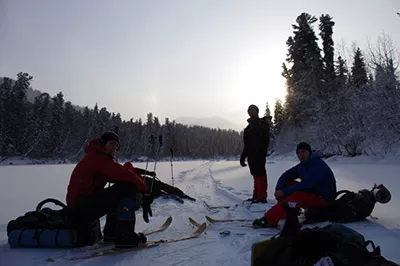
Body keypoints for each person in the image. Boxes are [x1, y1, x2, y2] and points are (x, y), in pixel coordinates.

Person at [66, 131, 155, 248]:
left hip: (82, 202)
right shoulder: (98, 158)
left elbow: (121, 174)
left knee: (119, 189)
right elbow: (125, 175)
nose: (115, 148)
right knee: (127, 188)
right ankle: (125, 237)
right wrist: (145, 190)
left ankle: (112, 232)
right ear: (103, 144)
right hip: (82, 205)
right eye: (112, 144)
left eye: (116, 146)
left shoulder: (97, 156)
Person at [252, 142, 337, 228]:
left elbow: (306, 185)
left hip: (323, 199)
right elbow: (285, 176)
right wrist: (279, 189)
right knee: (287, 183)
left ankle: (269, 219)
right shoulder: (303, 165)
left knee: (297, 196)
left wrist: (284, 192)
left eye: (303, 151)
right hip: (313, 193)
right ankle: (287, 210)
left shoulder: (317, 165)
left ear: (309, 152)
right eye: (298, 152)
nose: (301, 155)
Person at [240, 104, 270, 203]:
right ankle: (256, 196)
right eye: (249, 110)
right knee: (255, 174)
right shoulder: (248, 128)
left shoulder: (262, 123)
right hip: (251, 156)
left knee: (261, 174)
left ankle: (262, 197)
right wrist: (243, 156)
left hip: (259, 155)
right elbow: (247, 145)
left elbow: (265, 140)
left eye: (253, 110)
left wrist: (262, 153)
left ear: (257, 111)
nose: (251, 112)